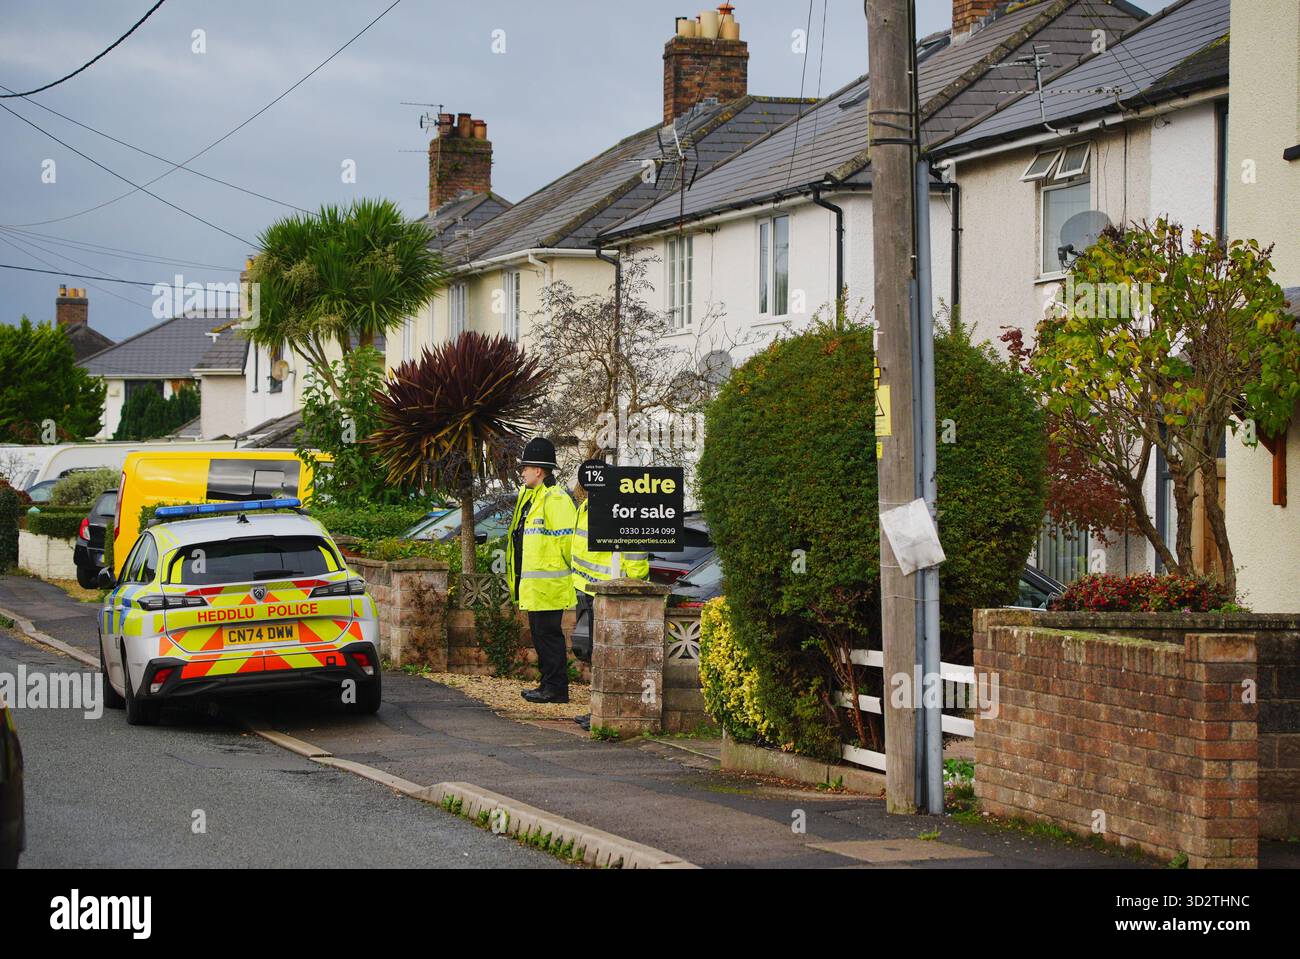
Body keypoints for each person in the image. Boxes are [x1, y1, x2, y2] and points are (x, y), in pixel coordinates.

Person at [569, 458, 650, 728]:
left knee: (608, 656)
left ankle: (605, 713)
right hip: (587, 590)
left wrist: (633, 591)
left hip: (610, 596)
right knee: (595, 653)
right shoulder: (586, 506)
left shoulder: (619, 509)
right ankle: (596, 710)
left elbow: (635, 555)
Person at [505, 437, 577, 704]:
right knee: (540, 636)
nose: (521, 472)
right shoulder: (531, 497)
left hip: (550, 585)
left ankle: (556, 689)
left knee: (549, 637)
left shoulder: (555, 499)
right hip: (535, 585)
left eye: (526, 467)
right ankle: (547, 684)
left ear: (539, 470)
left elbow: (567, 541)